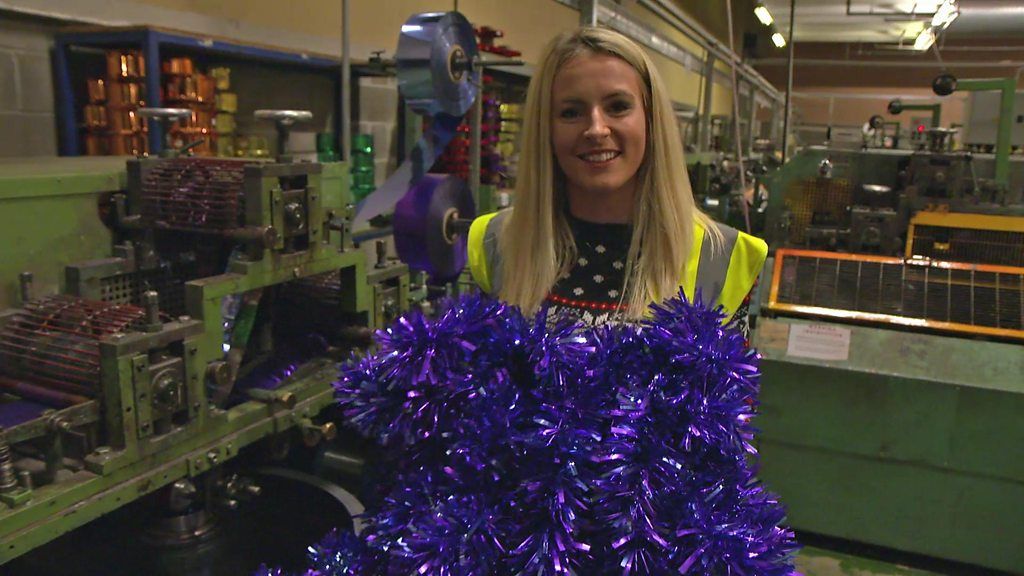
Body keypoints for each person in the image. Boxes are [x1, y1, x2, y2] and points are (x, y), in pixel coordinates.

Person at [467, 26, 766, 329]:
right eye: (571, 112)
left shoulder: (723, 258)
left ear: (651, 119)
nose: (596, 129)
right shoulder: (495, 243)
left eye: (618, 107)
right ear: (546, 128)